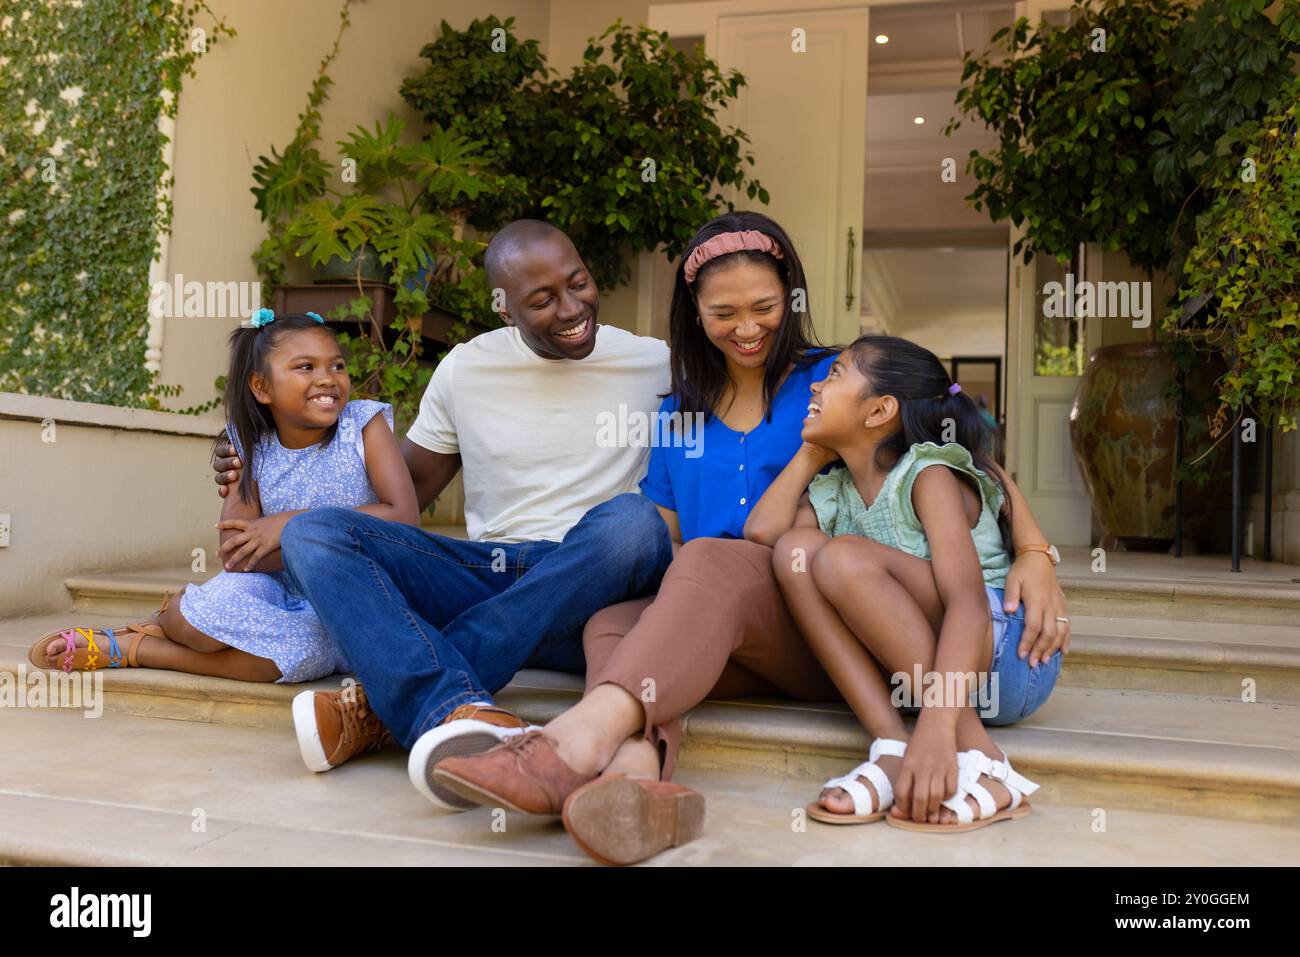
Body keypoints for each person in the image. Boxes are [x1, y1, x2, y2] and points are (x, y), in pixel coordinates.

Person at [432, 211, 1071, 865]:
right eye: (723, 313)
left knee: (718, 559)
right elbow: (669, 538)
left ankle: (569, 746)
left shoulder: (832, 381)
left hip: (846, 617)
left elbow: (962, 455)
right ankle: (634, 780)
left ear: (790, 297)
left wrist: (1033, 551)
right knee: (615, 620)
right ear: (695, 312)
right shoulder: (678, 411)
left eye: (765, 306)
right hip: (755, 625)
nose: (747, 328)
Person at [212, 221, 675, 808]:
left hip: (592, 588)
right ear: (505, 310)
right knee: (315, 530)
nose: (571, 308)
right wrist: (252, 458)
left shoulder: (656, 364)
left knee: (633, 524)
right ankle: (457, 704)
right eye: (543, 300)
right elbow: (400, 497)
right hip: (485, 576)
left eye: (578, 283)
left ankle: (391, 708)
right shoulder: (466, 368)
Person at [745, 335, 1060, 832]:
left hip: (1007, 656)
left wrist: (935, 728)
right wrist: (809, 453)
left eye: (836, 374)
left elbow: (968, 604)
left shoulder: (927, 475)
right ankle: (890, 744)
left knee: (843, 559)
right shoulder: (836, 492)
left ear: (879, 411)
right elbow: (763, 532)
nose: (817, 384)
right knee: (797, 553)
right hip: (918, 673)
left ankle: (984, 758)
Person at [28, 310, 418, 687]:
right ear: (261, 387)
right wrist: (286, 547)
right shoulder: (249, 446)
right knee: (201, 617)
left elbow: (402, 518)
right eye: (305, 367)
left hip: (349, 596)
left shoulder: (364, 426)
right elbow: (237, 556)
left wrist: (292, 526)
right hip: (274, 587)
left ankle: (136, 648)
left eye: (337, 366)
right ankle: (171, 620)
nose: (328, 379)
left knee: (301, 653)